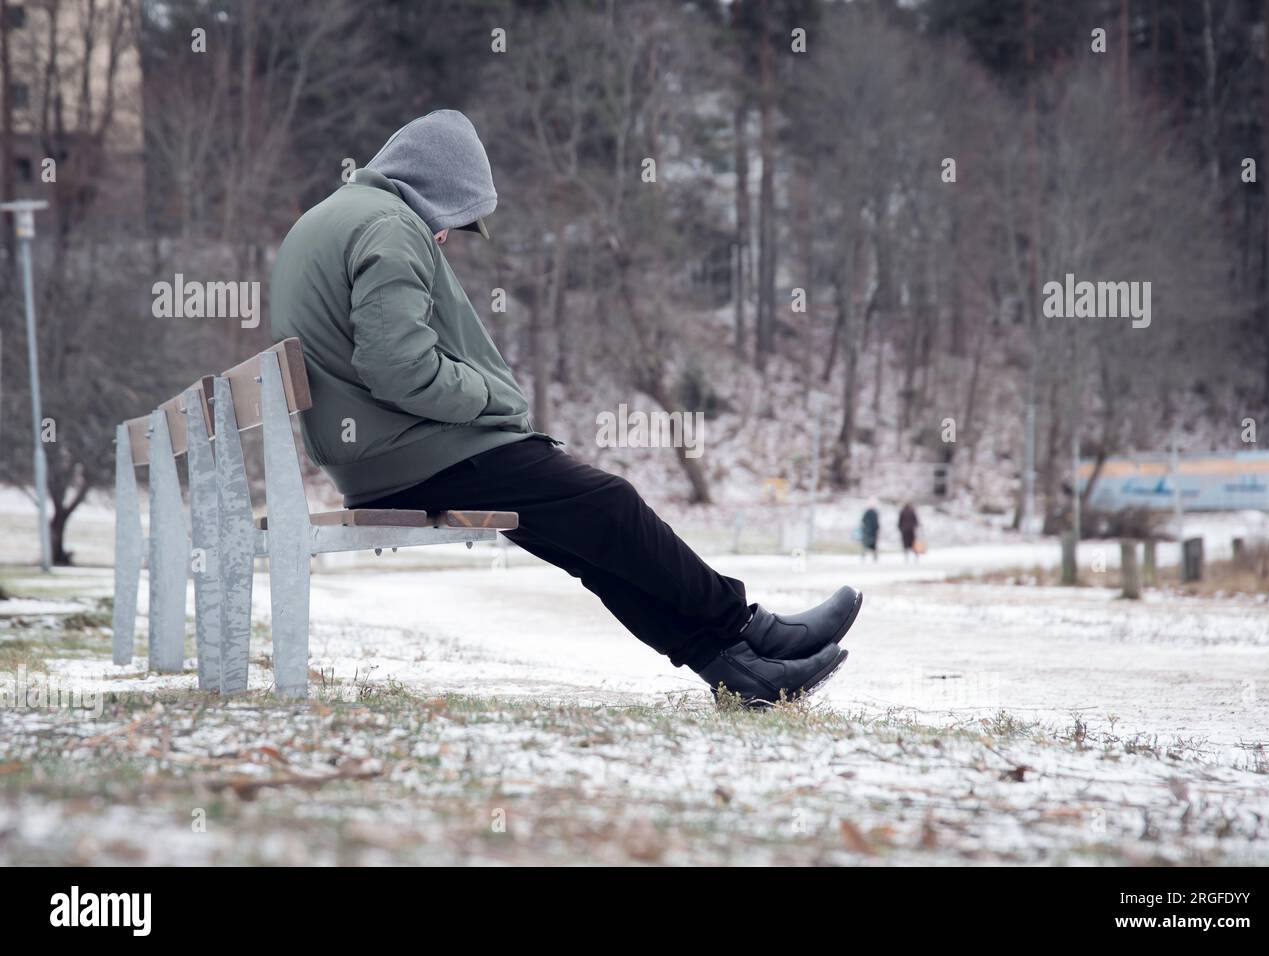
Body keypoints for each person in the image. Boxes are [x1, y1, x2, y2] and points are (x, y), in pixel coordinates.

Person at [269, 110, 861, 706]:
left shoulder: (328, 219)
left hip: (379, 459)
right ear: (433, 188)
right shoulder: (390, 226)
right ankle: (750, 630)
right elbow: (398, 367)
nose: (447, 237)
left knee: (593, 540)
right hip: (416, 458)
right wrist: (486, 396)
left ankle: (735, 667)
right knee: (611, 504)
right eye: (451, 222)